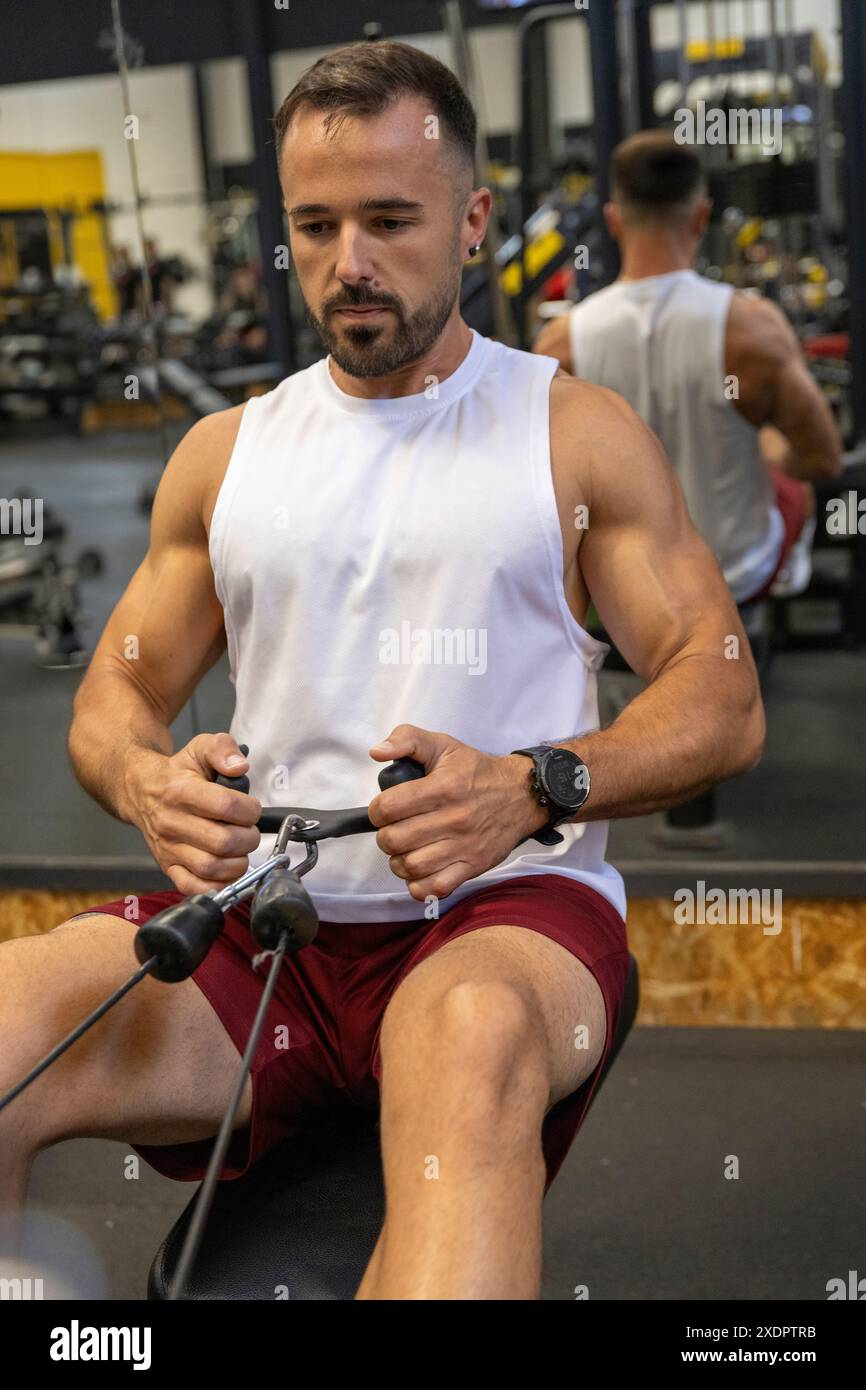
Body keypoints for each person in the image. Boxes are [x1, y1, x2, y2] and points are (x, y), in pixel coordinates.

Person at [0, 44, 764, 1301]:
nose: (348, 261)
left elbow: (719, 692)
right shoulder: (223, 455)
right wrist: (145, 782)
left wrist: (537, 782)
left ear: (470, 222)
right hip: (275, 933)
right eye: (316, 224)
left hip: (501, 925)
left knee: (462, 1046)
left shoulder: (567, 433)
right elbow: (112, 698)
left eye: (389, 220)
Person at [533, 131, 843, 605]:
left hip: (627, 590)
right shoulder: (753, 330)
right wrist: (768, 447)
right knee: (792, 484)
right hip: (733, 576)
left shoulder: (561, 342)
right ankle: (780, 580)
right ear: (702, 217)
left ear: (614, 221)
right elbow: (823, 457)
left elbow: (542, 487)